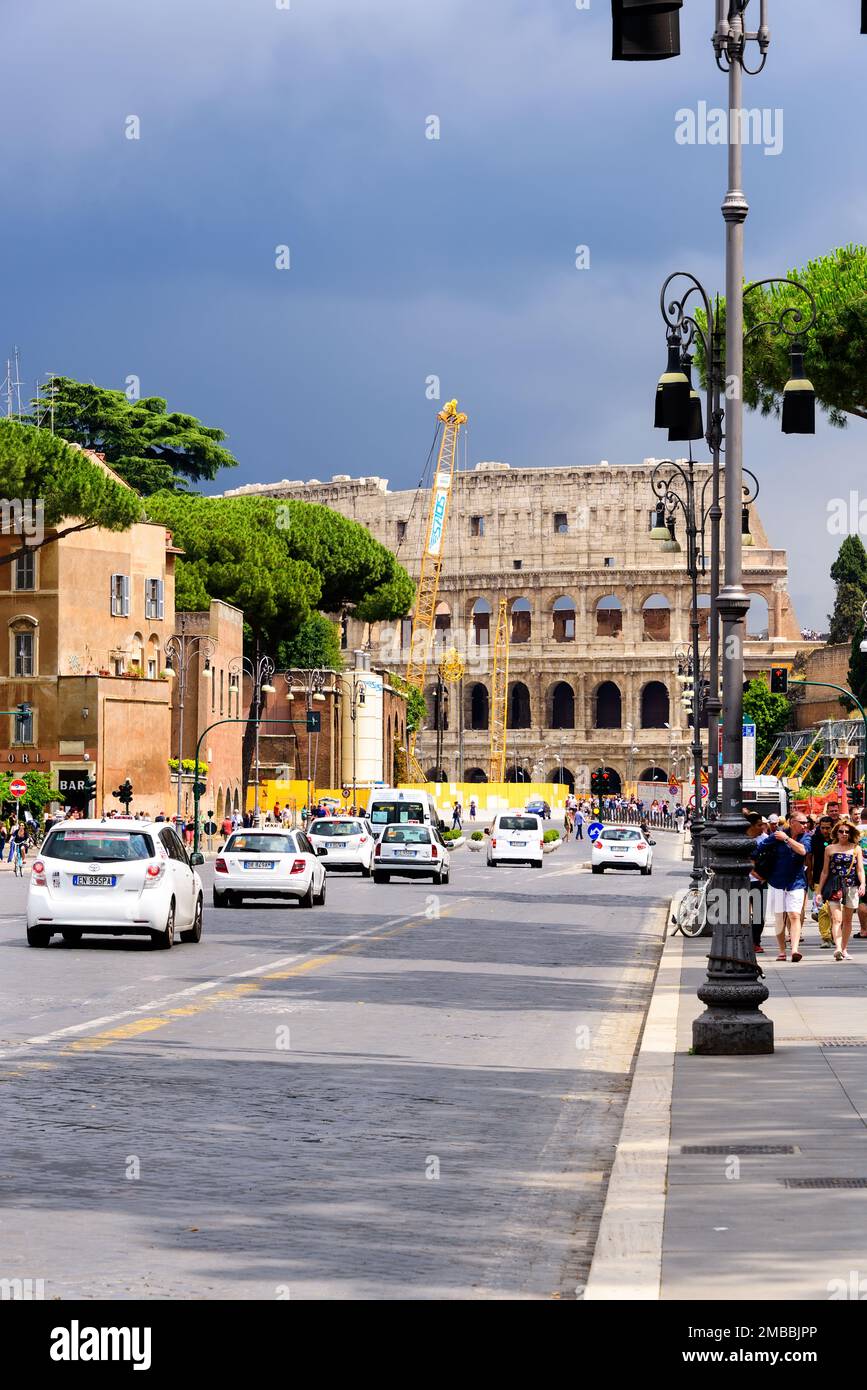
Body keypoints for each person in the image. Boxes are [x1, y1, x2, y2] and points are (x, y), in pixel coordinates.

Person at [758, 812, 811, 962]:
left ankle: (794, 950)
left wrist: (787, 839)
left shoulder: (805, 837)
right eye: (802, 822)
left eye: (806, 822)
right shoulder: (777, 835)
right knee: (780, 918)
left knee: (794, 915)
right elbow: (759, 849)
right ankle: (782, 951)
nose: (805, 825)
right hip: (777, 882)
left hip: (797, 882)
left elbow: (803, 851)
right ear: (792, 822)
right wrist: (756, 871)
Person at [815, 819, 865, 962]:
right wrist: (819, 891)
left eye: (847, 832)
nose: (844, 834)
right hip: (835, 885)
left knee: (847, 920)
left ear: (851, 833)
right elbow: (825, 872)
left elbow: (860, 869)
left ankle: (844, 949)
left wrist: (862, 884)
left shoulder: (856, 849)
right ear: (836, 832)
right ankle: (837, 948)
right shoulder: (829, 849)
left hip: (851, 885)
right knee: (836, 919)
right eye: (841, 831)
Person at [808, 813, 835, 949]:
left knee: (835, 909)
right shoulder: (814, 839)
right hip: (819, 877)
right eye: (823, 828)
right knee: (823, 909)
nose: (825, 830)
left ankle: (834, 935)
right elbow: (810, 858)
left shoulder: (837, 839)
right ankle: (825, 937)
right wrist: (810, 876)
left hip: (836, 879)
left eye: (828, 828)